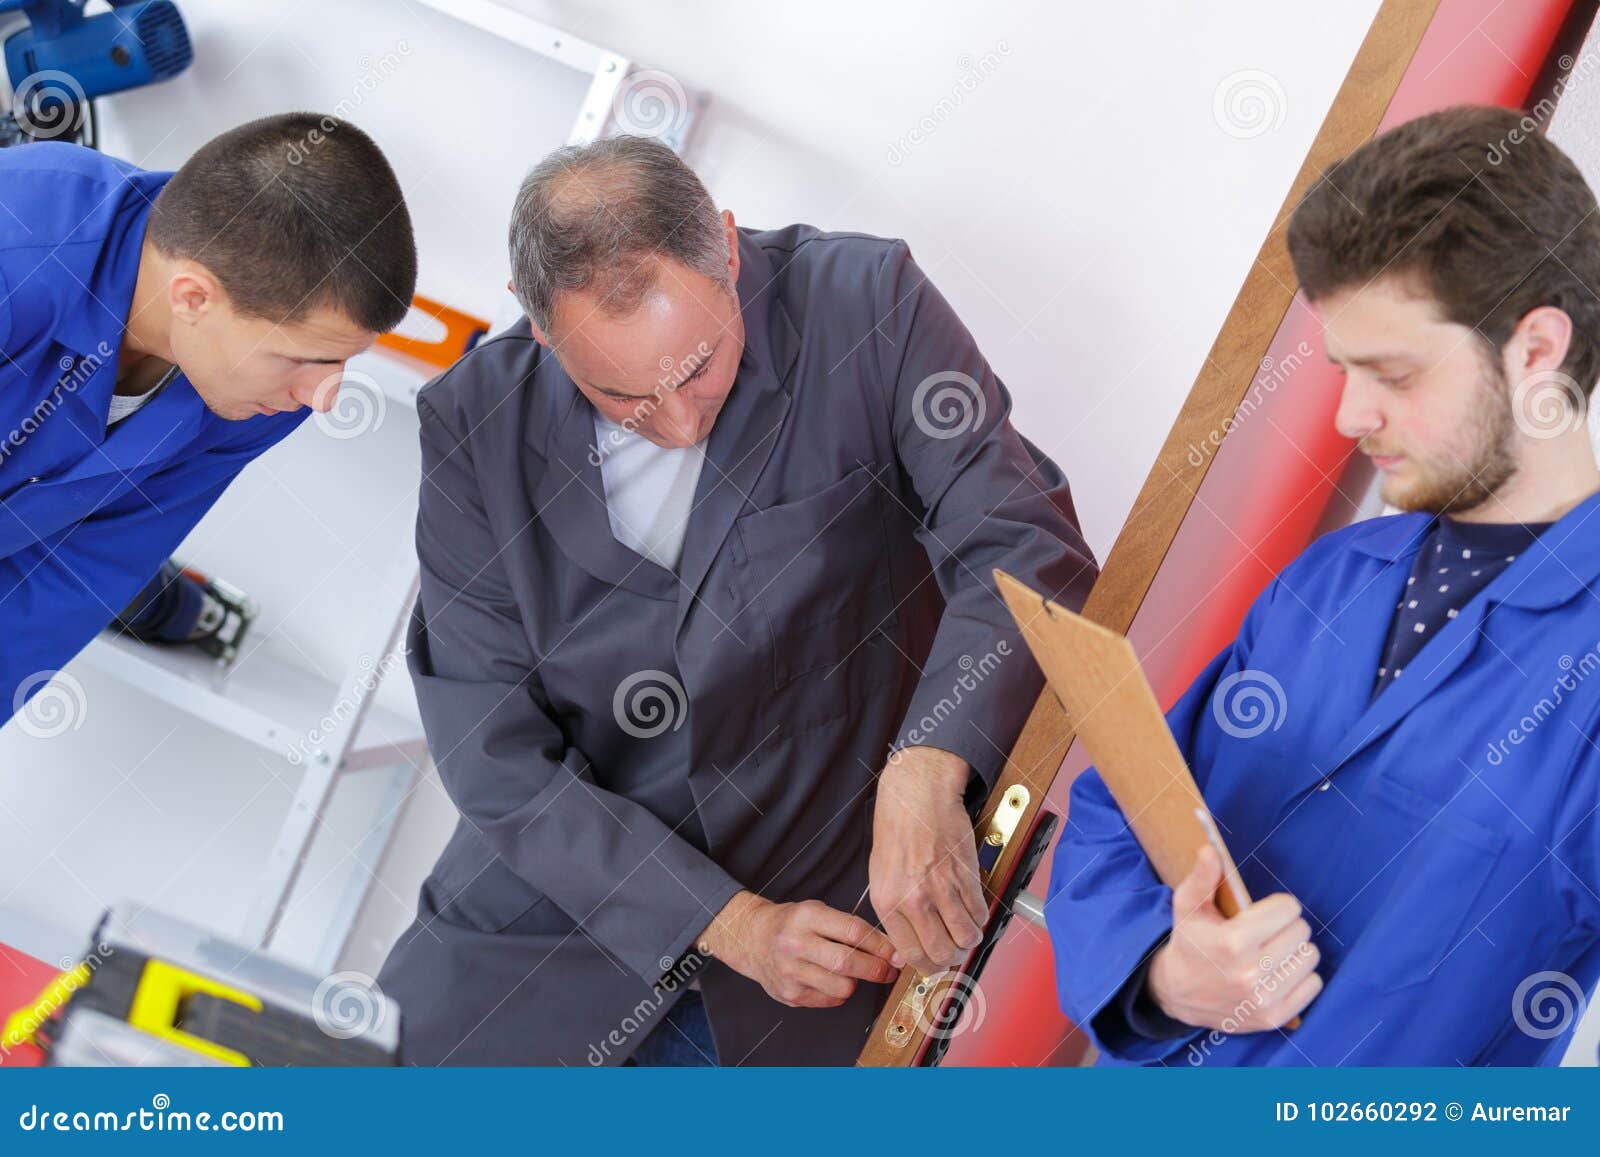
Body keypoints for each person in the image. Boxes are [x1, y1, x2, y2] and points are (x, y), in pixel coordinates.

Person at [379, 135, 1097, 1065]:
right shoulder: (473, 425)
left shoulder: (864, 303)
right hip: (546, 943)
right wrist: (725, 921)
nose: (679, 423)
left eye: (700, 367)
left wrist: (929, 764)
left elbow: (1021, 544)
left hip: (828, 943)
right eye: (621, 396)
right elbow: (492, 752)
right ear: (539, 326)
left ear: (724, 246)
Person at [1047, 105, 1600, 1066]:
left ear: (1537, 350)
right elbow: (1121, 808)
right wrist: (1170, 974)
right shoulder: (1333, 576)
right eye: (1344, 368)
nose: (1350, 413)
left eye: (1392, 372)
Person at [0, 113, 416, 716]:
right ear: (194, 297)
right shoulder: (20, 242)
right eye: (304, 358)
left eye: (342, 363)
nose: (324, 397)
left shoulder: (261, 400)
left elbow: (67, 578)